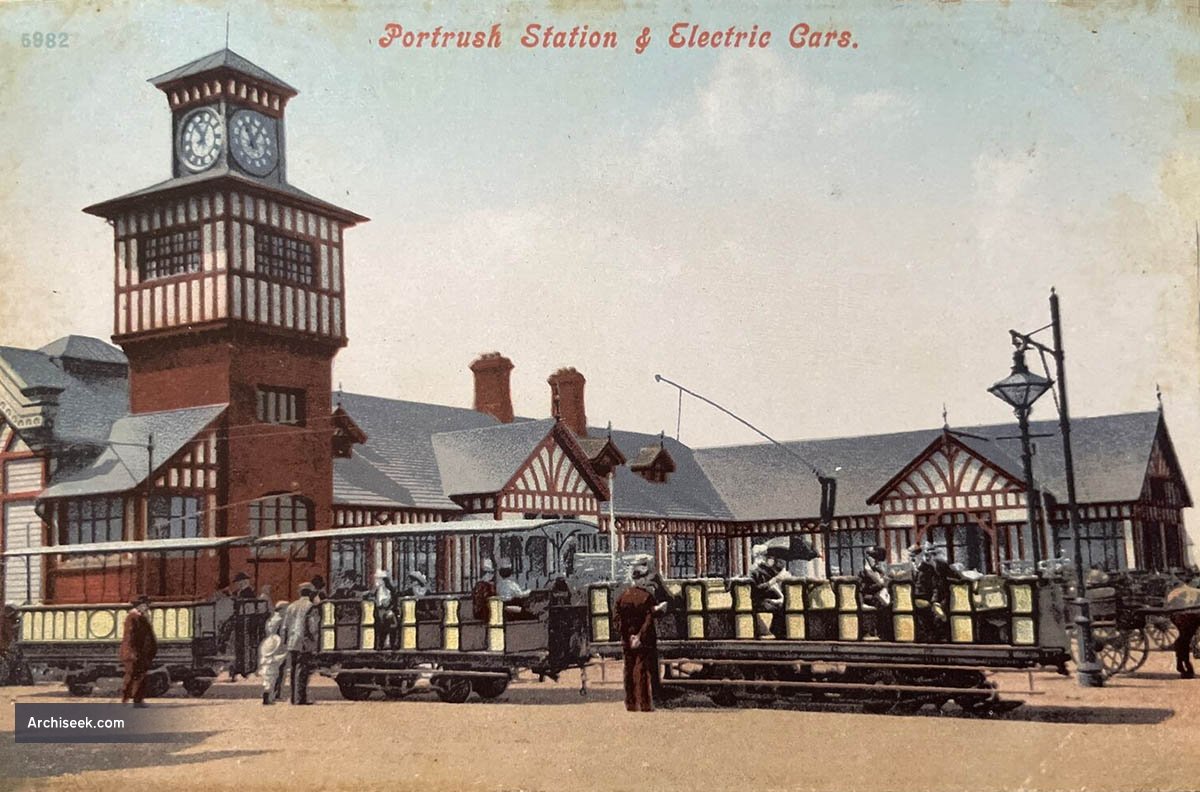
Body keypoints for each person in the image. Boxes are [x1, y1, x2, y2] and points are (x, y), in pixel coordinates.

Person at [613, 555, 659, 712]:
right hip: (642, 639)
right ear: (641, 580)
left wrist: (627, 635)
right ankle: (645, 704)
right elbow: (648, 620)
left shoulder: (622, 597)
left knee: (628, 670)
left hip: (627, 638)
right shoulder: (647, 597)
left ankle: (631, 703)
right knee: (642, 671)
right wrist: (639, 637)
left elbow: (617, 619)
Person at [281, 583, 321, 704]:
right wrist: (315, 639)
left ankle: (293, 698)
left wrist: (284, 641)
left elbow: (285, 626)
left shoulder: (291, 606)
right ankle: (300, 698)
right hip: (304, 642)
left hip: (291, 642)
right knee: (302, 670)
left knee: (293, 670)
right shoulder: (310, 606)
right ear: (310, 593)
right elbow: (313, 626)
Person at [120, 595, 158, 707]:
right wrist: (132, 652)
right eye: (145, 605)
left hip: (140, 653)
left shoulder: (140, 616)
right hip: (134, 654)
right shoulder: (134, 616)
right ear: (140, 605)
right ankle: (127, 699)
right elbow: (130, 637)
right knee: (132, 676)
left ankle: (137, 700)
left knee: (140, 676)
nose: (147, 607)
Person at [748, 546, 787, 637]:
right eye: (768, 557)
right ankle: (777, 631)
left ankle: (777, 631)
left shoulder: (769, 570)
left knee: (783, 605)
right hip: (759, 600)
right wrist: (772, 582)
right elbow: (757, 589)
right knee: (780, 607)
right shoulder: (755, 572)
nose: (771, 560)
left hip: (769, 598)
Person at [858, 546, 893, 641]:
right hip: (865, 596)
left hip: (874, 594)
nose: (875, 562)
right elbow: (878, 582)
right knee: (884, 605)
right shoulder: (866, 569)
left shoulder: (875, 568)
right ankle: (884, 633)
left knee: (889, 602)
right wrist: (883, 581)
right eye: (873, 559)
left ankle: (887, 632)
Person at [258, 600, 289, 705]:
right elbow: (283, 634)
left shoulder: (271, 620)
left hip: (270, 644)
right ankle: (276, 693)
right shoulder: (282, 620)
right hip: (279, 645)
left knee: (270, 671)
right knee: (279, 671)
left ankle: (270, 692)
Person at [370, 569, 398, 649]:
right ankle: (380, 645)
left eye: (379, 579)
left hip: (388, 611)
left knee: (391, 625)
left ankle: (392, 644)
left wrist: (390, 609)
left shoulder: (390, 590)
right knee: (380, 627)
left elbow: (394, 601)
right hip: (379, 611)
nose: (377, 581)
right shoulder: (377, 590)